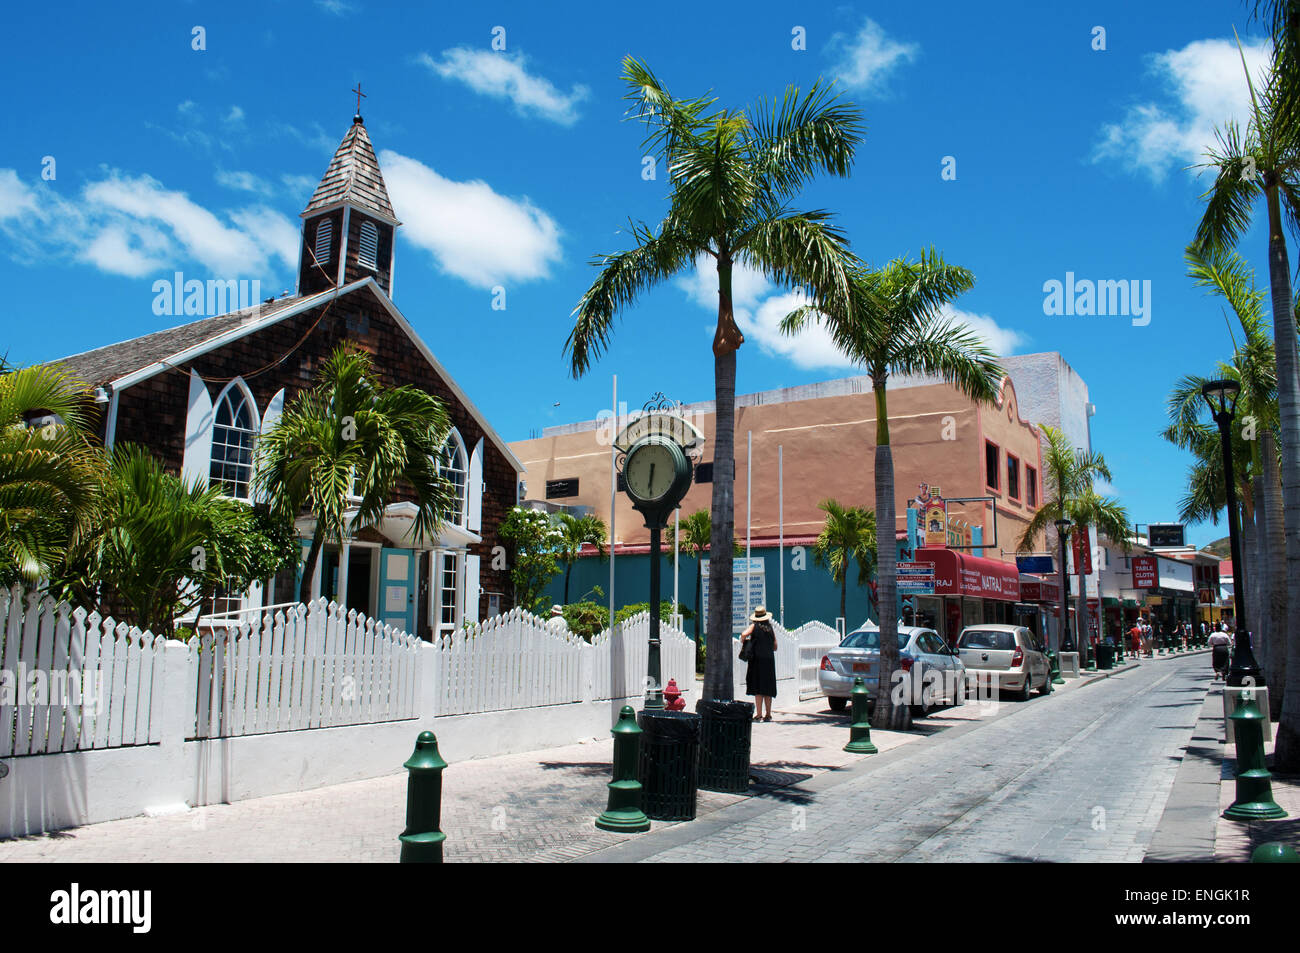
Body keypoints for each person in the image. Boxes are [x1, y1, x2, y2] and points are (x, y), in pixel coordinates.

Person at [740, 606, 779, 722]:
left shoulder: (754, 626)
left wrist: (745, 641)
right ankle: (768, 714)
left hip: (757, 660)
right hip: (769, 660)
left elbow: (743, 634)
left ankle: (759, 714)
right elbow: (775, 646)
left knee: (758, 688)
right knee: (768, 687)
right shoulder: (770, 628)